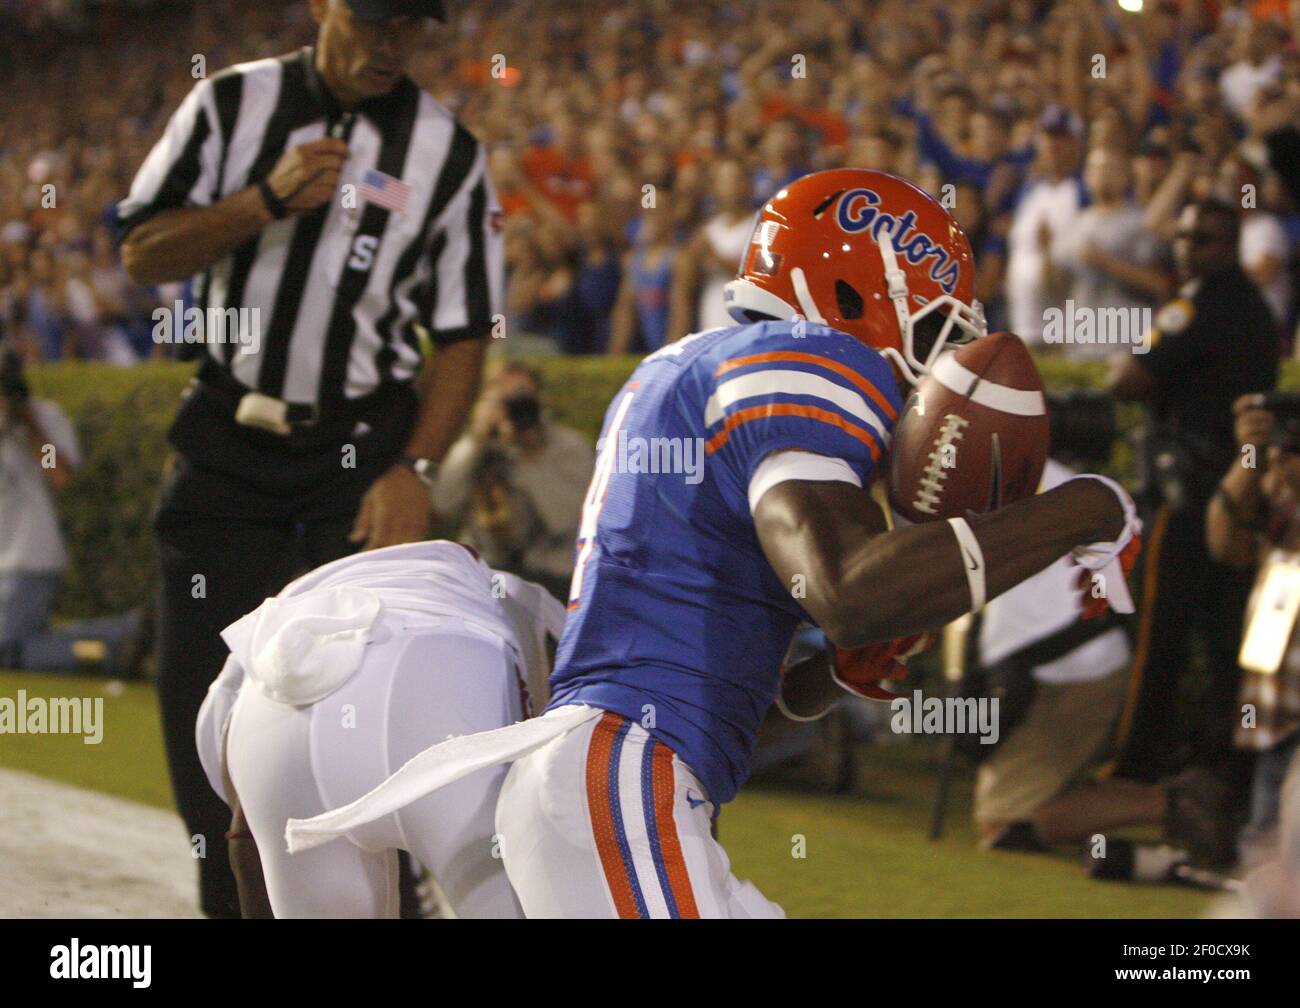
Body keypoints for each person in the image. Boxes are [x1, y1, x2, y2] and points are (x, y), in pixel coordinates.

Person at [286, 170, 1142, 918]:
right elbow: (848, 591)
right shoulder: (815, 356)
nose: (926, 373)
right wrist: (1086, 509)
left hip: (615, 781)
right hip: (614, 783)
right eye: (929, 336)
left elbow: (720, 704)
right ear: (850, 297)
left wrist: (830, 677)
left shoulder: (687, 367)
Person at [115, 0, 502, 918]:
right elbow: (142, 252)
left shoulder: (447, 153)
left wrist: (413, 469)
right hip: (226, 450)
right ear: (326, 6)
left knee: (367, 730)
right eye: (374, 15)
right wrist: (265, 202)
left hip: (360, 462)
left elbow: (462, 332)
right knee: (205, 728)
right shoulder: (230, 105)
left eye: (412, 22)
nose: (391, 42)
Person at [195, 539, 564, 918]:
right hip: (443, 678)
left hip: (273, 721)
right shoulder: (515, 598)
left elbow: (239, 822)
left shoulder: (276, 625)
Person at [1109, 199, 1279, 784]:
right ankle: (1226, 770)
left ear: (1229, 244)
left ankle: (1134, 764)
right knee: (1225, 641)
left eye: (1201, 238)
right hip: (1237, 497)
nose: (1186, 246)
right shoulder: (1257, 309)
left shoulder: (1194, 305)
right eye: (1181, 235)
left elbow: (1125, 380)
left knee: (1158, 636)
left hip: (1187, 500)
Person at [0, 345, 144, 676]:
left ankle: (119, 640)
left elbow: (60, 475)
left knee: (7, 647)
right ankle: (119, 636)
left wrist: (29, 426)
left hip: (30, 557)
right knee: (23, 643)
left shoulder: (45, 416)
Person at [1207, 393, 1300, 869]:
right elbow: (1226, 544)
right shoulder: (1280, 492)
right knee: (1265, 860)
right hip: (1276, 708)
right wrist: (1250, 454)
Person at [430, 362, 593, 601]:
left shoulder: (568, 447)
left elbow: (565, 522)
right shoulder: (476, 447)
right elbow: (442, 504)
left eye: (520, 396)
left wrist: (529, 456)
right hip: (485, 569)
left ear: (539, 399)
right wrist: (475, 443)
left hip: (551, 573)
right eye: (501, 399)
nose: (511, 406)